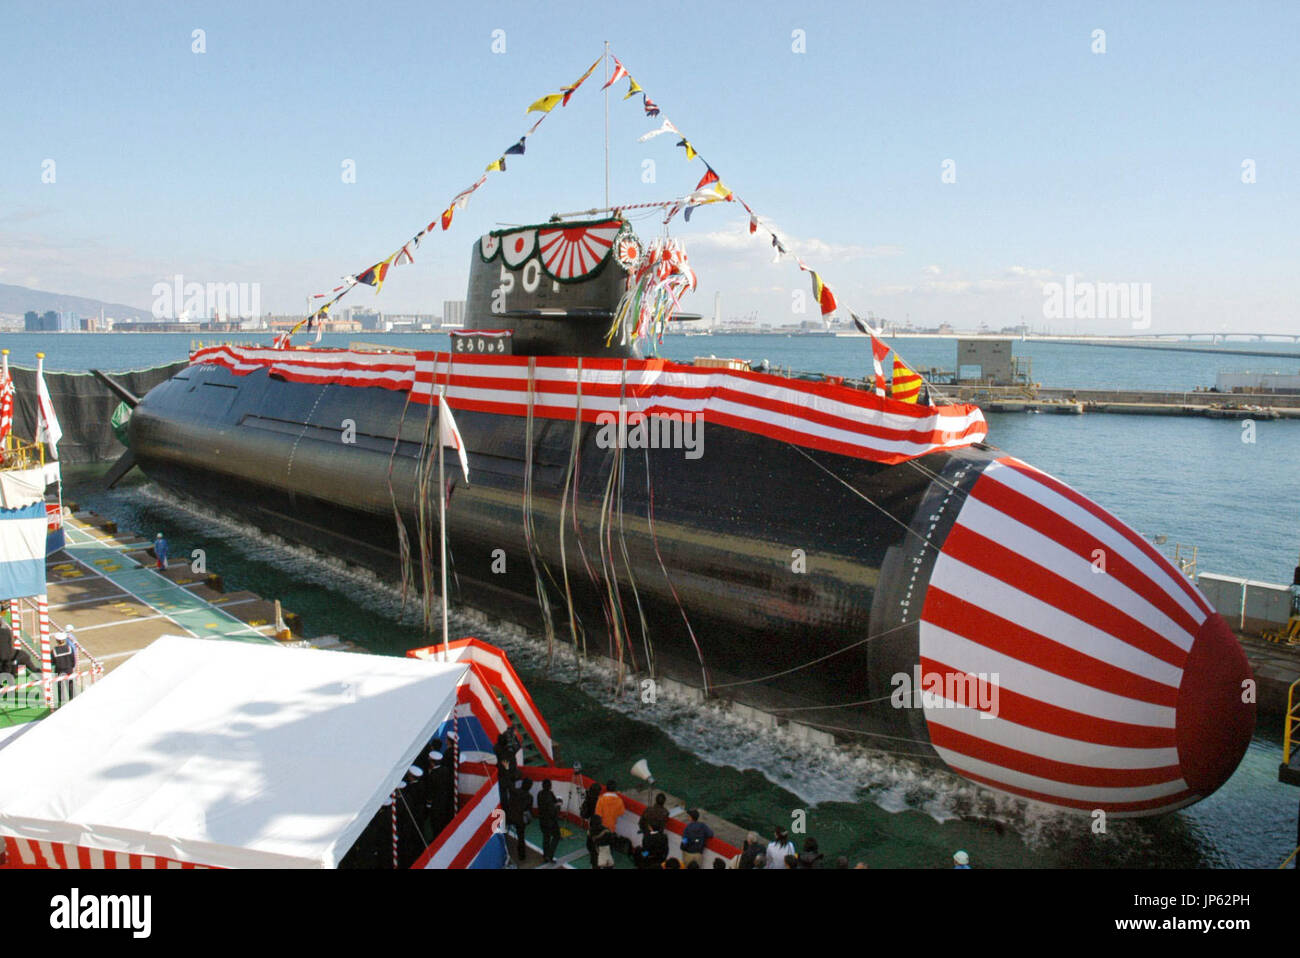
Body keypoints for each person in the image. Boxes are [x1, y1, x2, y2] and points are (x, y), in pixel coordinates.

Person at [426, 751, 455, 839]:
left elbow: (430, 791)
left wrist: (428, 804)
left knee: (435, 823)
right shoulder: (445, 770)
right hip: (444, 800)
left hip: (435, 803)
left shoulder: (432, 775)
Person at [506, 777, 533, 863]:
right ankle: (522, 856)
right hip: (520, 820)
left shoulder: (514, 791)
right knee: (521, 837)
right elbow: (528, 810)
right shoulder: (529, 797)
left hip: (509, 817)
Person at [536, 778, 561, 864]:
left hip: (542, 820)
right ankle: (550, 855)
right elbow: (552, 810)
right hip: (550, 821)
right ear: (550, 786)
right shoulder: (550, 795)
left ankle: (545, 855)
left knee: (546, 838)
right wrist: (558, 806)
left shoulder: (540, 794)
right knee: (557, 836)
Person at [51, 632, 76, 703]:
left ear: (57, 640)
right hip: (68, 670)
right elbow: (73, 660)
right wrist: (72, 667)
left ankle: (60, 702)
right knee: (70, 686)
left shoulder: (54, 651)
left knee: (60, 687)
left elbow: (52, 662)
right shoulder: (69, 648)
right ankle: (72, 700)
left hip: (59, 670)